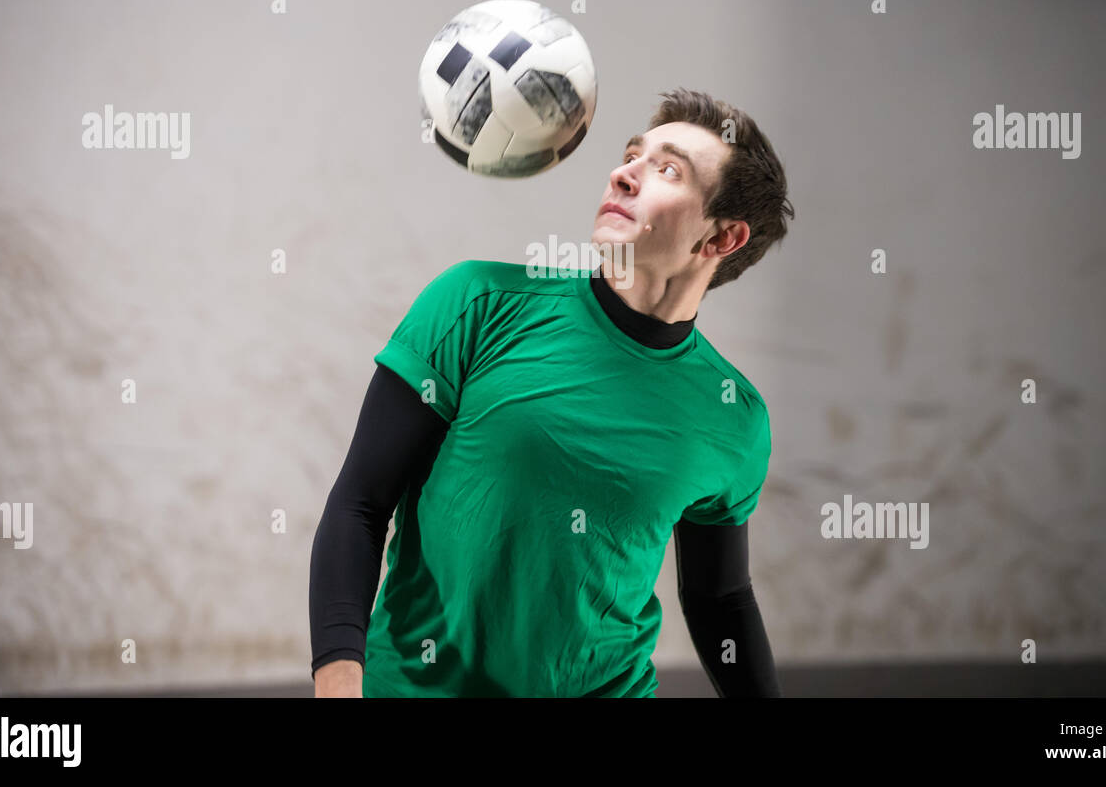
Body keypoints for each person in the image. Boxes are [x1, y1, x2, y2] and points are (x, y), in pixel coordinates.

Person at [309, 87, 795, 697]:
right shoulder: (476, 304)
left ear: (721, 240)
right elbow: (360, 502)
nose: (623, 174)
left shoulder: (734, 416)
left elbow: (720, 598)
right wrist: (336, 686)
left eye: (667, 169)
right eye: (632, 155)